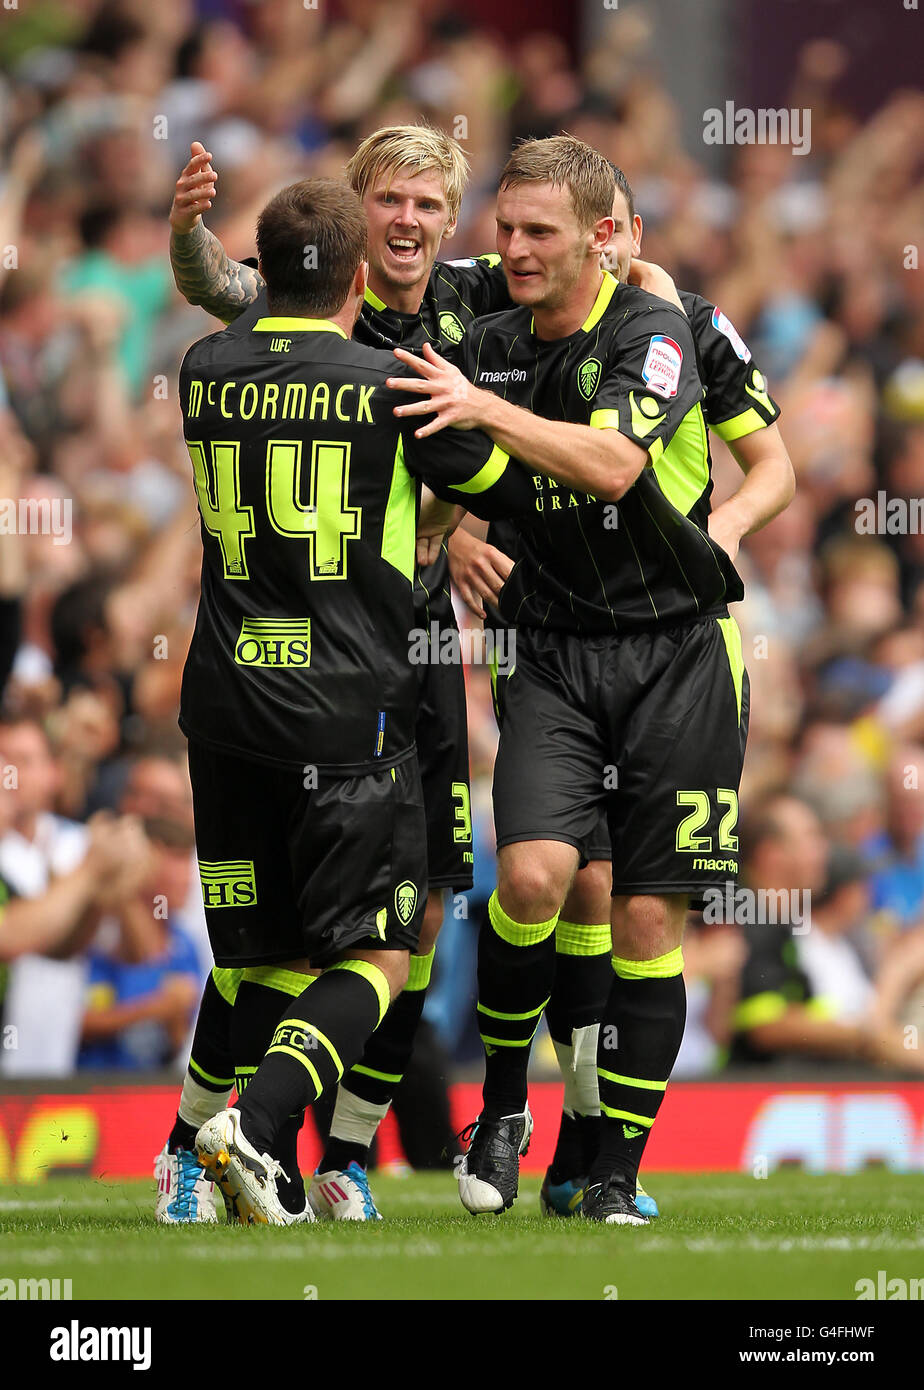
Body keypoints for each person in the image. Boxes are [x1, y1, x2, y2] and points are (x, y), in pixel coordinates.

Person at [388, 134, 792, 1225]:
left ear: (605, 240)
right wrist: (457, 519)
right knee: (530, 879)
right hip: (552, 647)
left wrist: (727, 531)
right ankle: (509, 1108)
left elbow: (629, 463)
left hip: (679, 652)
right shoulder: (481, 316)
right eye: (506, 228)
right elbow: (369, 288)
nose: (512, 249)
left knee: (643, 924)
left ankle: (608, 1169)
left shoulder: (668, 325)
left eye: (539, 233)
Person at [159, 127, 515, 1222]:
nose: (407, 220)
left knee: (379, 916)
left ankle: (336, 1158)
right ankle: (233, 1135)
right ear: (359, 230)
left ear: (448, 220)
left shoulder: (478, 307)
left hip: (276, 677)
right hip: (352, 680)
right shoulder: (373, 363)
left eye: (427, 202)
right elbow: (504, 465)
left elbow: (228, 296)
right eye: (388, 202)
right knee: (371, 941)